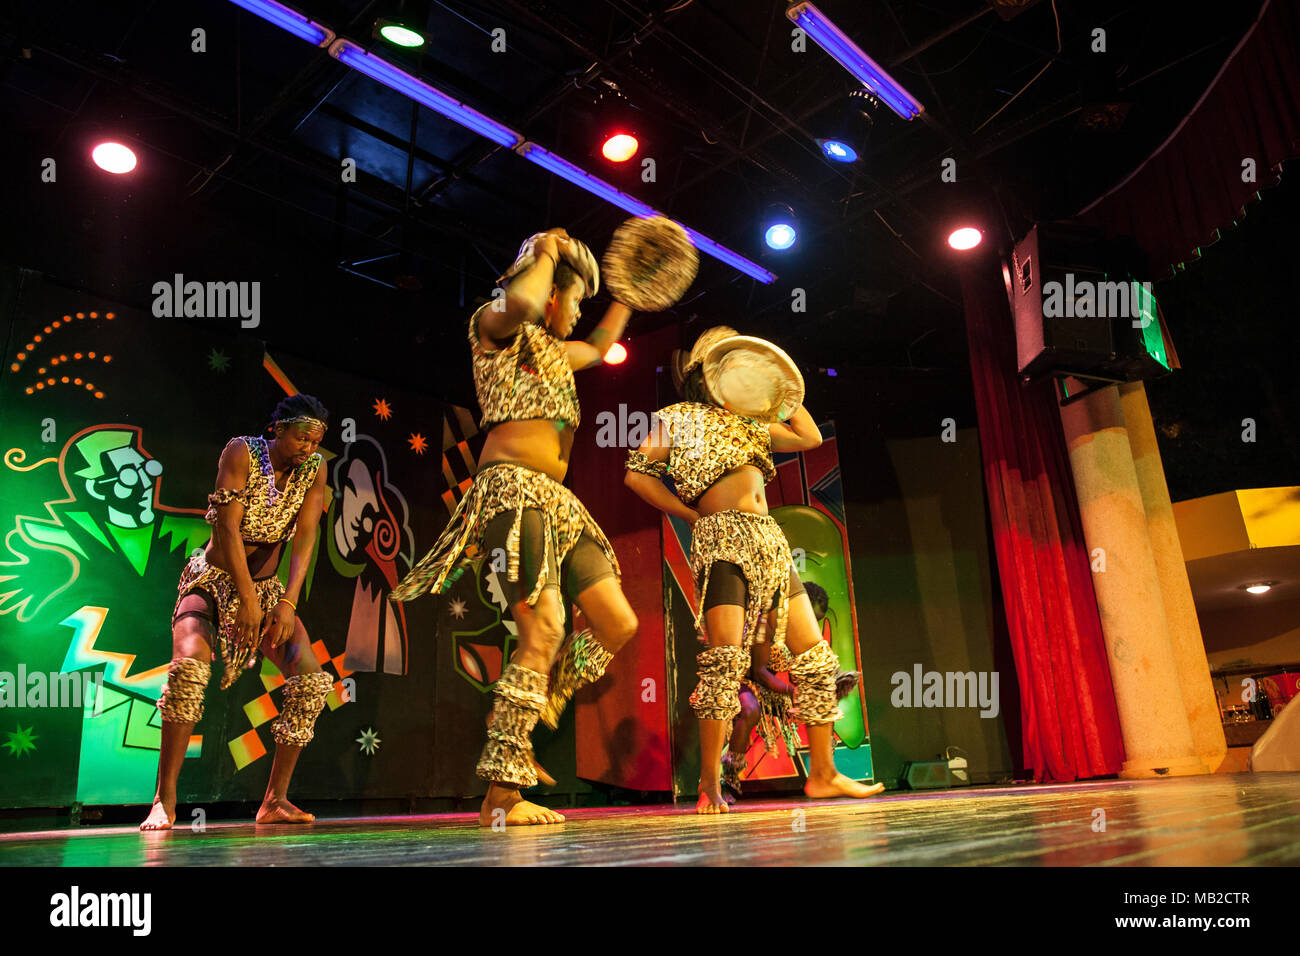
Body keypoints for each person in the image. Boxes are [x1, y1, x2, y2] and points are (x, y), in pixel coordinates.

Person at [391, 228, 639, 827]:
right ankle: (501, 791)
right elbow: (523, 303)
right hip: (512, 490)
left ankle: (538, 707)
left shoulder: (557, 353)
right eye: (574, 298)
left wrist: (627, 290)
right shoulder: (494, 327)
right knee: (546, 627)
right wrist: (546, 252)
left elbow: (604, 343)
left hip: (559, 502)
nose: (579, 313)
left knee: (618, 622)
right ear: (548, 291)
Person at [625, 327, 884, 813]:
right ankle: (708, 785)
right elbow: (636, 473)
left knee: (816, 657)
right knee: (724, 662)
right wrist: (689, 513)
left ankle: (825, 774)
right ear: (703, 370)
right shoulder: (678, 419)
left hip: (769, 540)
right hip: (722, 537)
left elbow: (807, 435)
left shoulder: (749, 422)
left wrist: (778, 390)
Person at [141, 395, 333, 830]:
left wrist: (286, 602)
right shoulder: (241, 451)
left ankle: (274, 800)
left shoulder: (314, 469)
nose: (307, 446)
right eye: (301, 436)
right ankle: (164, 800)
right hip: (213, 581)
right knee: (189, 668)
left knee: (311, 681)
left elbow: (305, 537)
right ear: (278, 429)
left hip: (266, 590)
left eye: (315, 439)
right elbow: (225, 527)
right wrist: (246, 599)